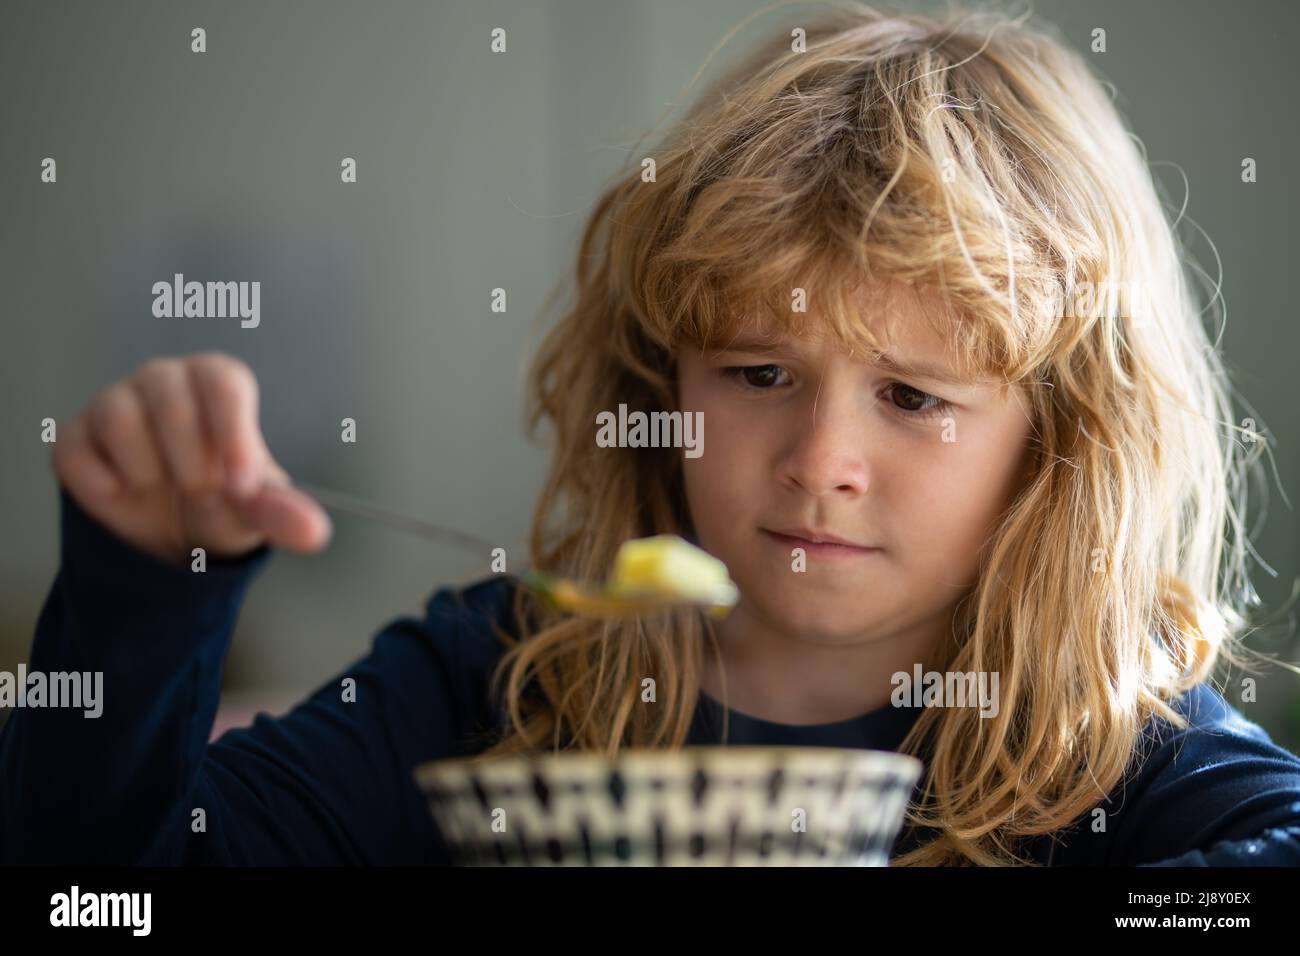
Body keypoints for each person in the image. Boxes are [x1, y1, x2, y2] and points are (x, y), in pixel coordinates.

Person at [3, 4, 1299, 866]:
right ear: (656, 371)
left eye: (912, 397)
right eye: (754, 371)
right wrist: (141, 592)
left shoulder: (1128, 763)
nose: (817, 461)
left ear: (1061, 436)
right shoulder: (491, 685)